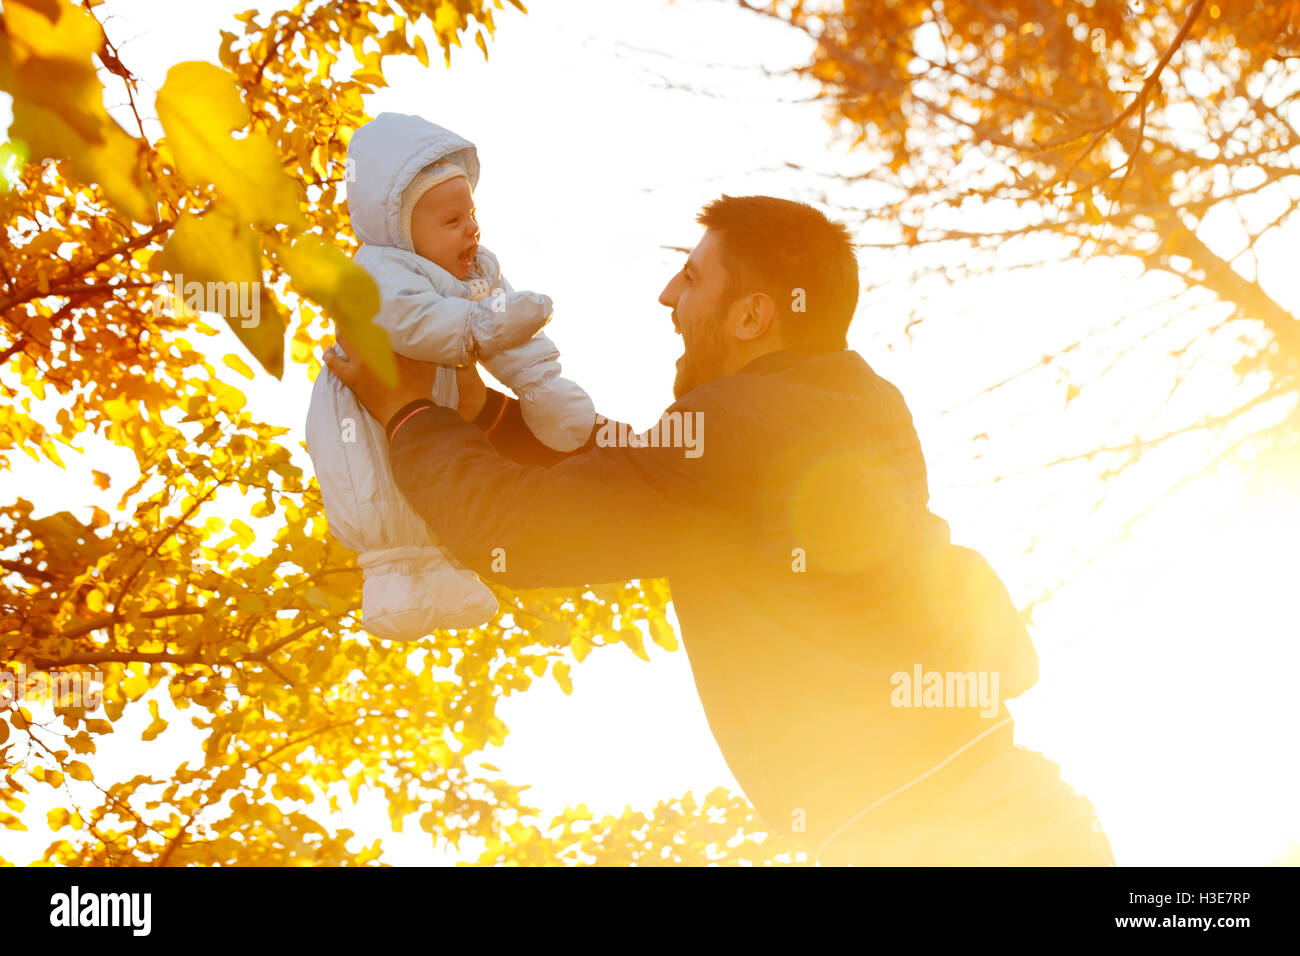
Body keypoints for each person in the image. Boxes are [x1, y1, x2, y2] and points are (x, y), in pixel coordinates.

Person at [324, 194, 1114, 865]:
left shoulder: (741, 433)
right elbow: (652, 480)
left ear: (752, 315)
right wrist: (490, 416)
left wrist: (409, 411)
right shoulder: (842, 402)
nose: (669, 295)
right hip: (996, 815)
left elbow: (519, 532)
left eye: (693, 276)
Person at [306, 112, 594, 640]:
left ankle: (450, 571)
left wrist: (538, 383)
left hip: (427, 407)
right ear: (400, 230)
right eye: (451, 221)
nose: (471, 229)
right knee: (376, 487)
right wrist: (482, 327)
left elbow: (510, 329)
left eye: (472, 214)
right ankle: (391, 584)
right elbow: (413, 325)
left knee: (436, 485)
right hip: (364, 406)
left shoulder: (478, 271)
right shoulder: (378, 269)